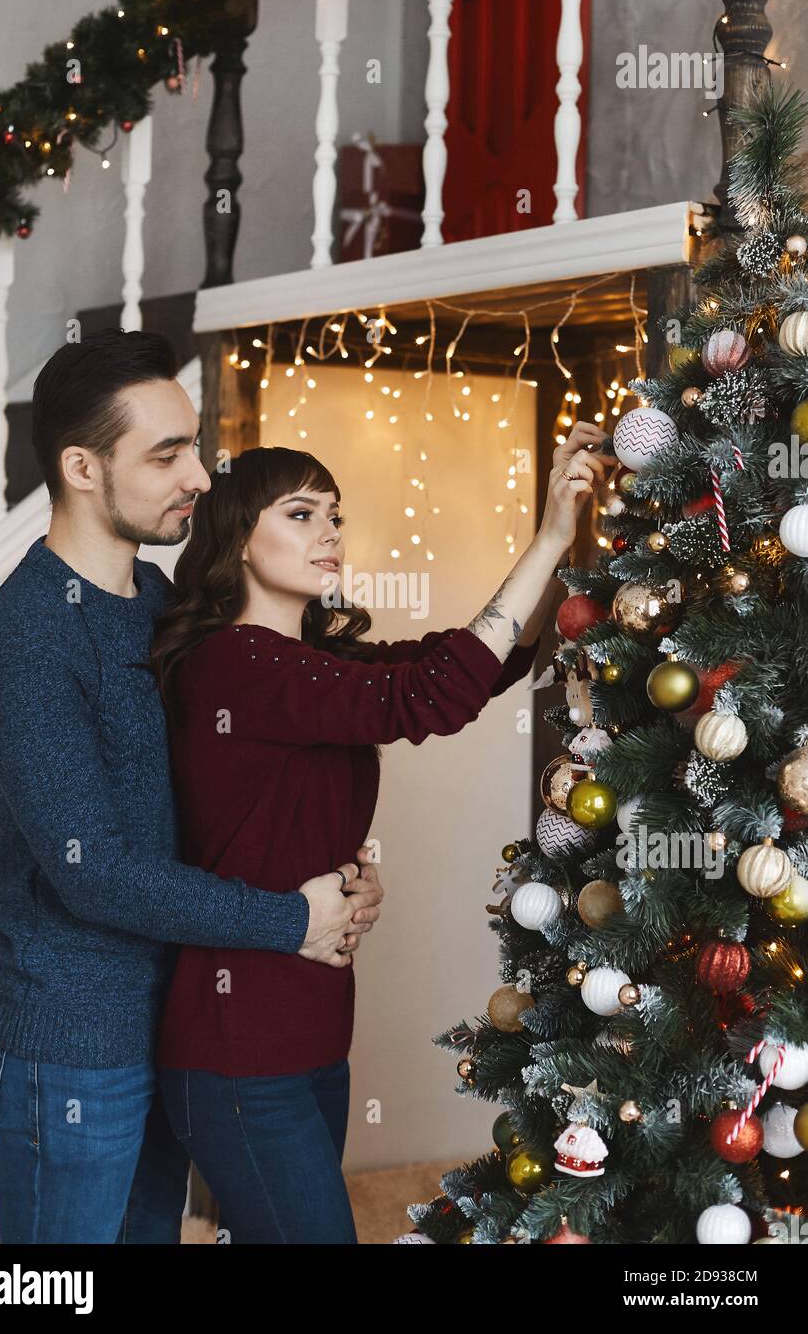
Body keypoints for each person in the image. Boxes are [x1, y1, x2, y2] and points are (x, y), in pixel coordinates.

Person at [0, 328, 384, 1244]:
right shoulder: (27, 641)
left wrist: (343, 876)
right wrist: (291, 918)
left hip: (180, 1018)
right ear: (82, 466)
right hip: (71, 1042)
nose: (199, 476)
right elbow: (97, 873)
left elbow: (240, 784)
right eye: (166, 455)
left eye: (192, 446)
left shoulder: (161, 601)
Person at [150, 421, 615, 1244]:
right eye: (300, 514)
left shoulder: (313, 660)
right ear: (239, 541)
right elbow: (434, 695)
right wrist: (546, 535)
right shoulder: (234, 663)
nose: (329, 529)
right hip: (235, 1046)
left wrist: (565, 526)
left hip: (311, 1030)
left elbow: (484, 659)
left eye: (334, 513)